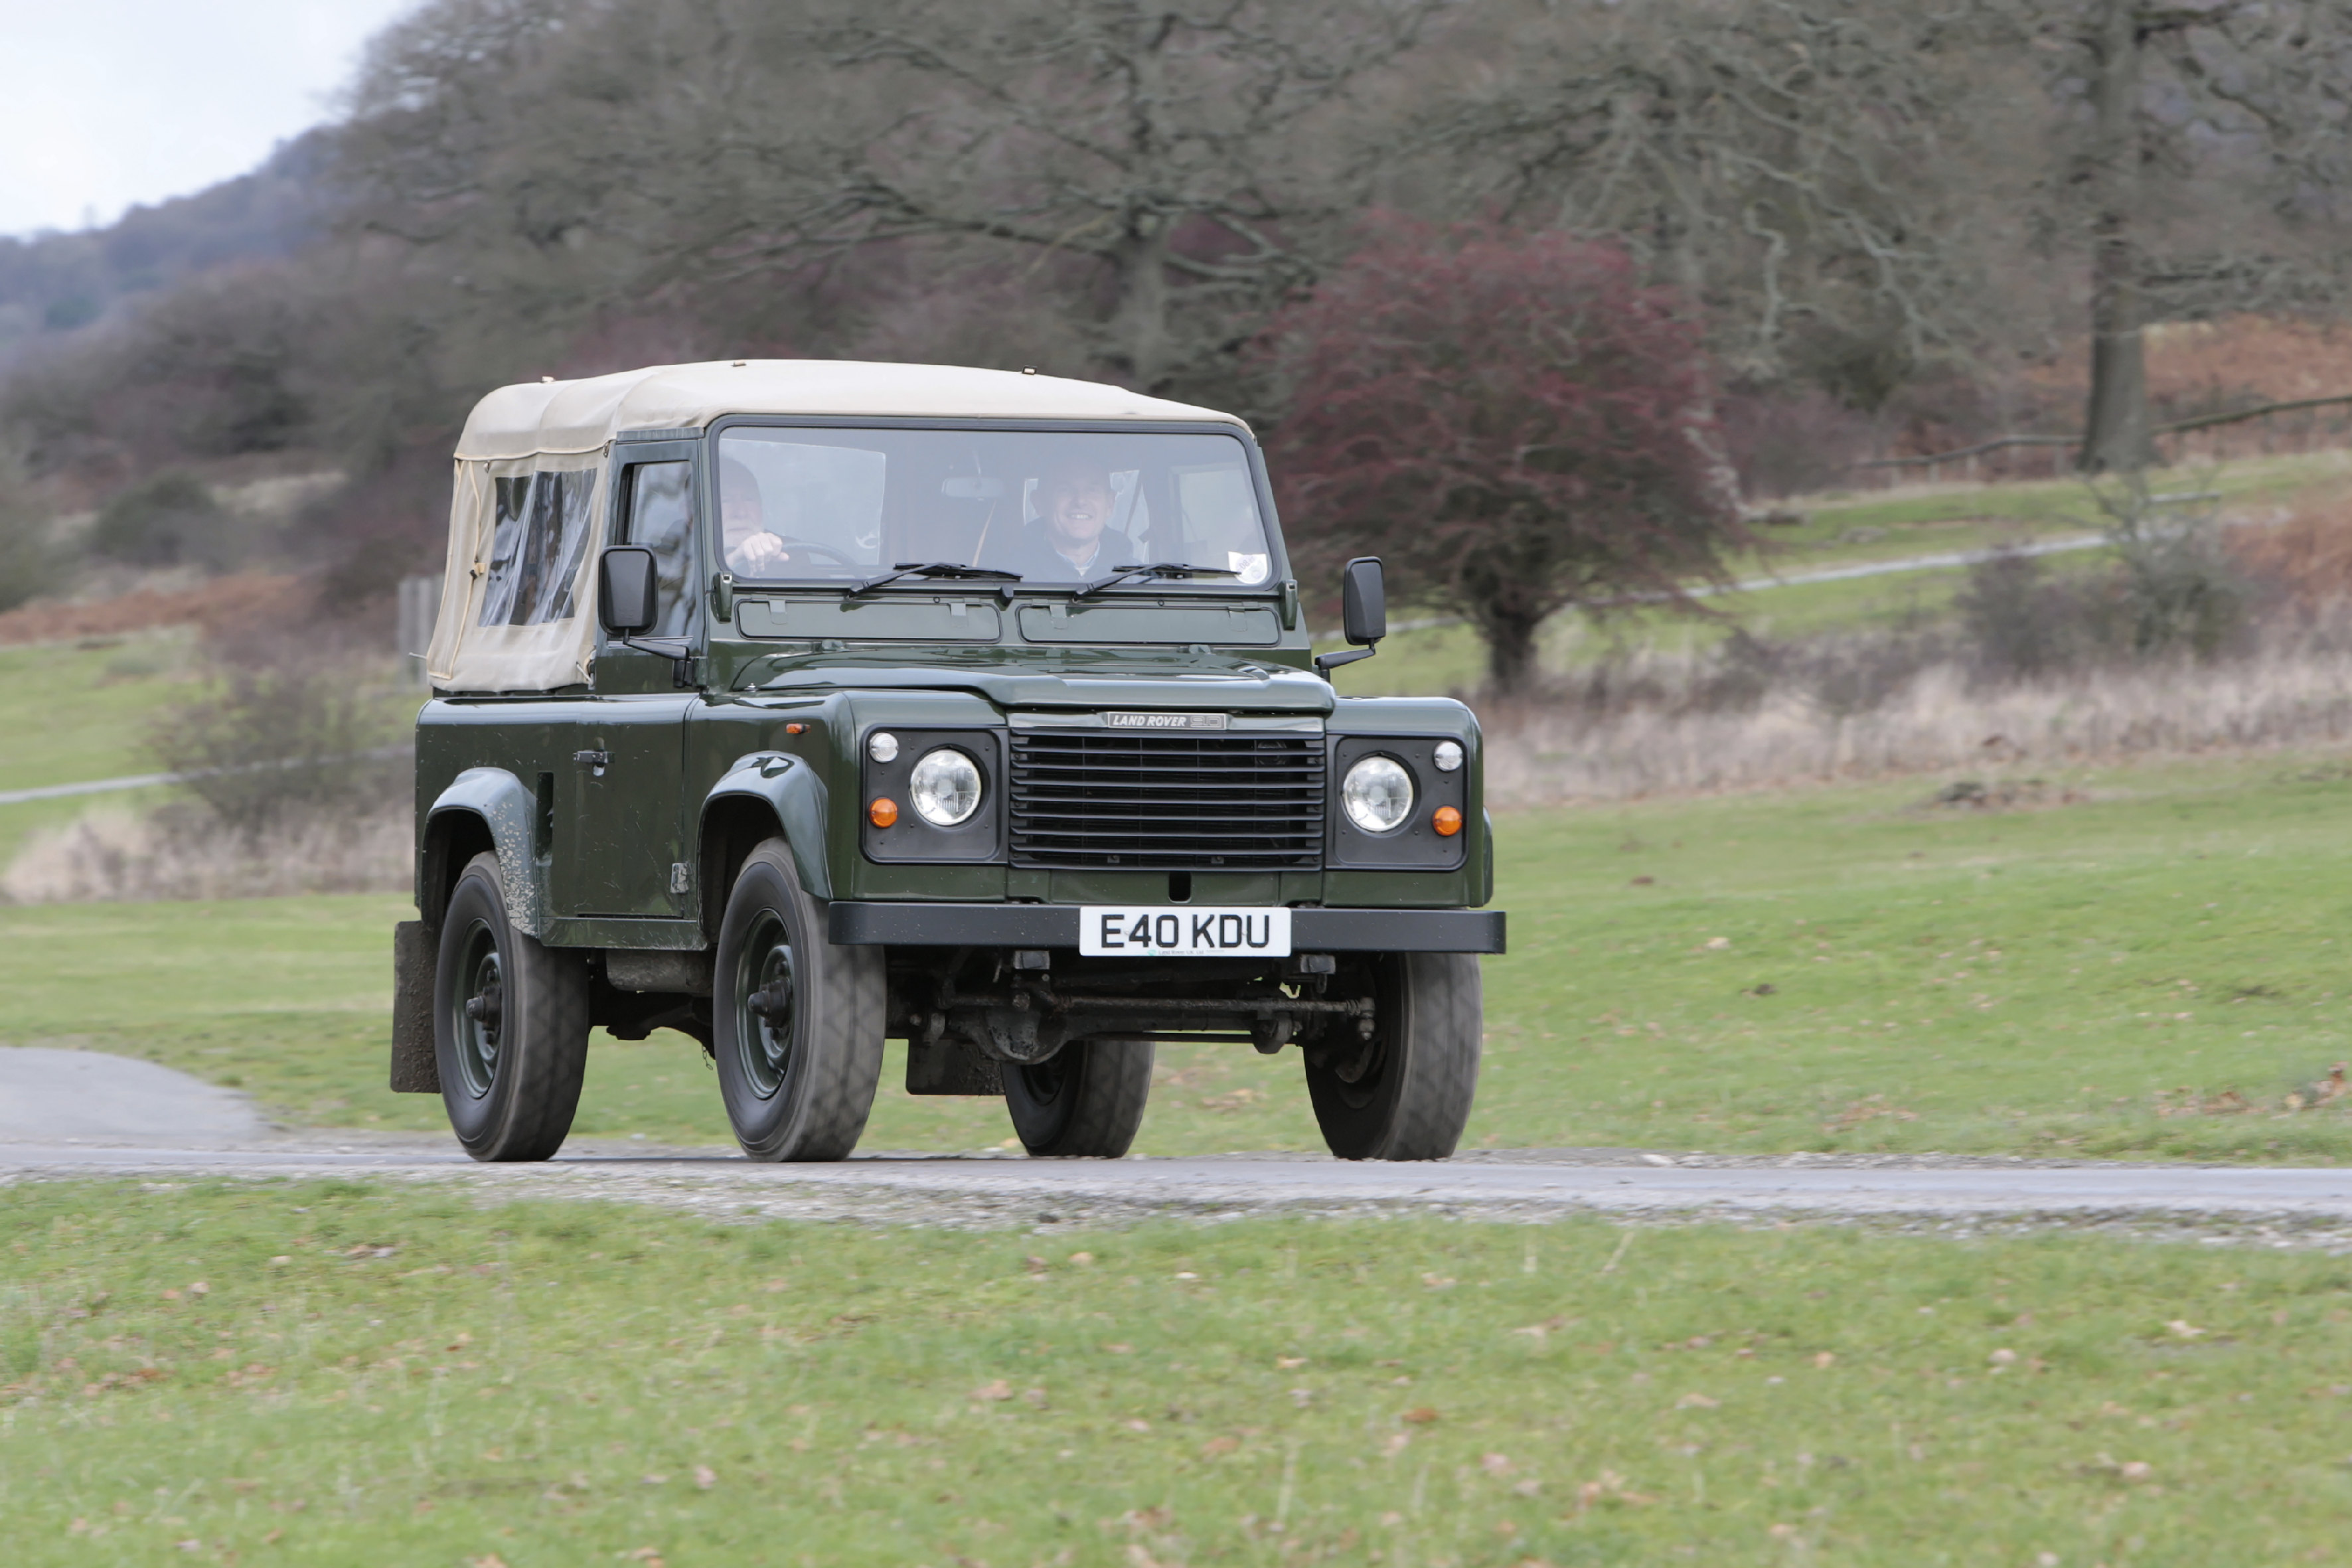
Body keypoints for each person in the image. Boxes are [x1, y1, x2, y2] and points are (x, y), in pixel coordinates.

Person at [1009, 457, 1133, 580]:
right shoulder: (1010, 576)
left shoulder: (1137, 578)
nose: (1080, 501)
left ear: (1110, 504)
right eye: (1065, 490)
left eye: (1092, 490)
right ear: (1039, 503)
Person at [720, 457, 790, 576]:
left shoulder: (790, 551)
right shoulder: (681, 553)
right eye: (725, 501)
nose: (741, 512)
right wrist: (730, 563)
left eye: (749, 499)